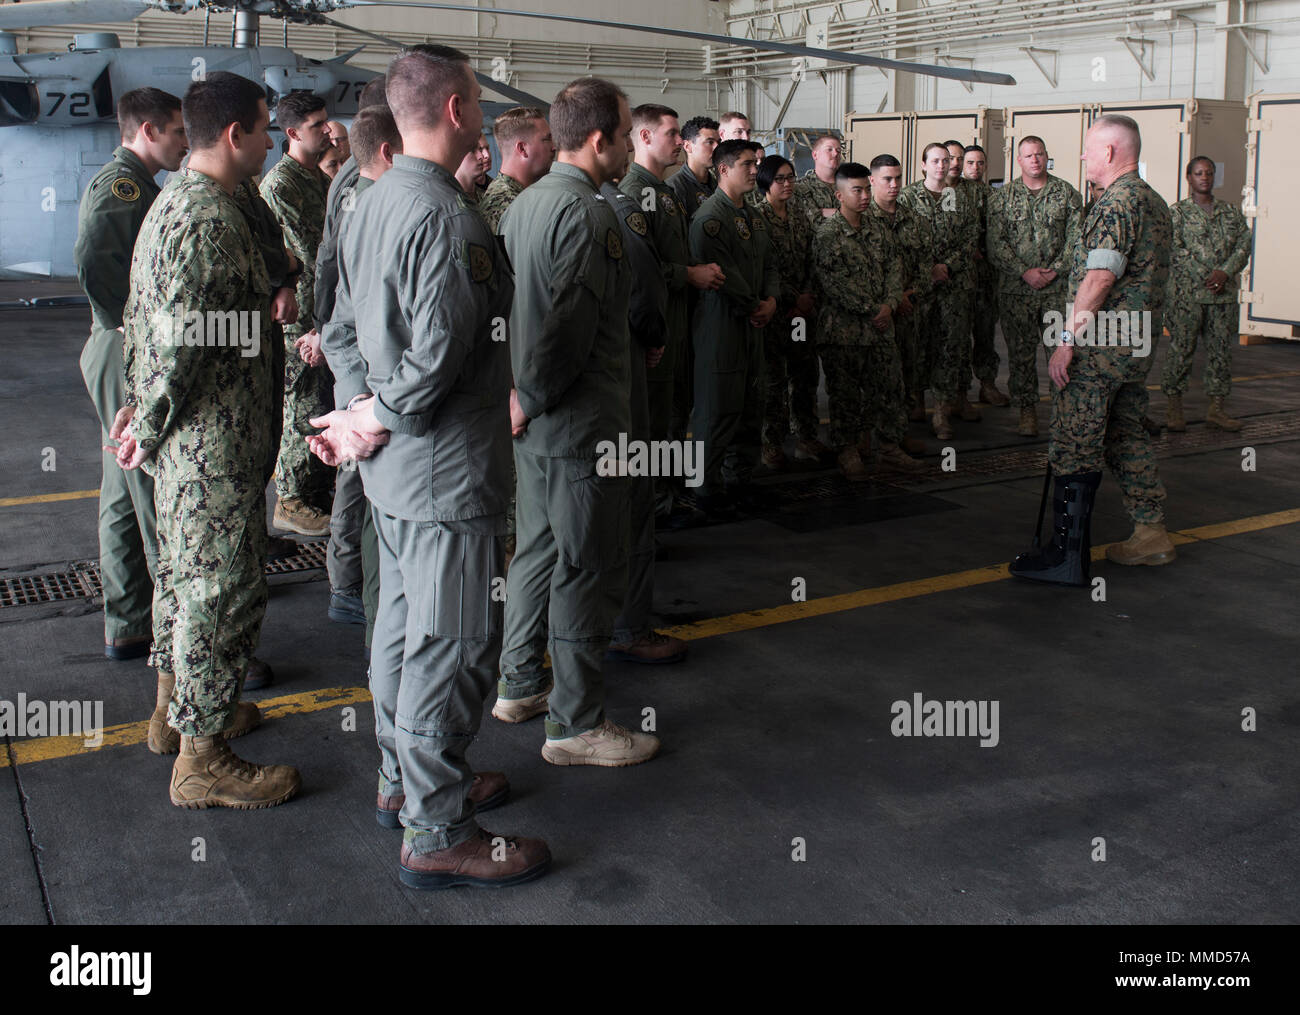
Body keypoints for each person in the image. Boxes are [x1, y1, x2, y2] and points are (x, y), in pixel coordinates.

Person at [314, 44, 549, 888]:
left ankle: (402, 779)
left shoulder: (369, 201)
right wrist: (375, 412)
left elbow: (338, 326)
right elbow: (444, 357)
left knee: (402, 633)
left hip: (395, 474)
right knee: (450, 649)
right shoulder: (450, 218)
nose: (483, 117)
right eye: (479, 102)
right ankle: (438, 824)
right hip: (448, 477)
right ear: (456, 110)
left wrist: (355, 415)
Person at [115, 71, 298, 807]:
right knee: (220, 592)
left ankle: (175, 712)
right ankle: (202, 757)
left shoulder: (199, 202)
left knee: (185, 583)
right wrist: (148, 424)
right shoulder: (206, 220)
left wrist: (140, 413)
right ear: (235, 136)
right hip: (209, 446)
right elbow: (181, 345)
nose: (271, 140)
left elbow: (146, 325)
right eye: (264, 127)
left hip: (207, 444)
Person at [494, 76, 661, 771]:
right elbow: (568, 324)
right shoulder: (594, 217)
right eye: (625, 134)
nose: (627, 146)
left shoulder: (523, 205)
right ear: (600, 140)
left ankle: (520, 684)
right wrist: (531, 394)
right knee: (586, 568)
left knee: (533, 552)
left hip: (535, 426)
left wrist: (517, 397)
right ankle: (576, 721)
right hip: (580, 425)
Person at [1010, 114, 1175, 586]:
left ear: (1108, 152)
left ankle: (1066, 556)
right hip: (1135, 343)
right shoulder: (1154, 201)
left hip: (1102, 346)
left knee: (1075, 442)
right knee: (1125, 433)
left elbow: (1100, 276)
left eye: (1088, 148)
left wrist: (1067, 341)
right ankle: (1151, 531)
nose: (1081, 157)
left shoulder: (1115, 204)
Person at [74, 87, 186, 663]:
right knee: (153, 489)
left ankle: (128, 625)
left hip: (117, 343)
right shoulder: (122, 189)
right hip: (123, 346)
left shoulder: (139, 186)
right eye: (176, 131)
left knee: (121, 489)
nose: (184, 142)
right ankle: (177, 643)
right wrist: (127, 323)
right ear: (147, 129)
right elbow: (96, 258)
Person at [315, 105, 404, 636]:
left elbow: (331, 269)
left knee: (357, 481)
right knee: (361, 485)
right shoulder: (382, 204)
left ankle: (350, 587)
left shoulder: (352, 186)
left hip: (356, 371)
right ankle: (351, 587)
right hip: (373, 379)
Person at [619, 103, 723, 530]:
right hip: (656, 329)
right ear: (644, 137)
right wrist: (688, 273)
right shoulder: (633, 191)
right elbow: (635, 270)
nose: (680, 142)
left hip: (677, 323)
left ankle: (668, 495)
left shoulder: (662, 191)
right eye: (671, 133)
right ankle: (653, 513)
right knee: (653, 425)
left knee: (674, 418)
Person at [603, 156, 687, 666]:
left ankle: (532, 665)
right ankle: (628, 627)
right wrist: (652, 337)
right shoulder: (617, 205)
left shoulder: (528, 205)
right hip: (616, 375)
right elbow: (646, 281)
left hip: (549, 395)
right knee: (631, 500)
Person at [813, 163, 921, 481]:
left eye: (865, 189)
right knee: (845, 396)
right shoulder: (827, 234)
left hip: (881, 329)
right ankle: (847, 450)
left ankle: (888, 449)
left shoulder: (877, 228)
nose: (863, 196)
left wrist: (888, 305)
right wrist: (874, 309)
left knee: (889, 389)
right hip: (844, 332)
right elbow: (834, 284)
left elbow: (894, 268)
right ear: (839, 194)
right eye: (855, 190)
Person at [689, 139, 779, 515]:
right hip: (722, 327)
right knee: (716, 411)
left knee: (750, 406)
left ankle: (740, 480)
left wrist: (772, 300)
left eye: (756, 164)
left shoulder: (755, 216)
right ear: (724, 170)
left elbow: (772, 264)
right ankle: (705, 489)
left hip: (753, 325)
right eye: (747, 165)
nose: (755, 171)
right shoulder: (710, 219)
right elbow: (722, 275)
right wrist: (755, 304)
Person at [261, 91, 335, 537]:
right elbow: (311, 253)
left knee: (321, 404)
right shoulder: (280, 185)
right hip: (301, 319)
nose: (328, 130)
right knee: (303, 406)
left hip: (322, 313)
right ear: (292, 133)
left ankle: (315, 491)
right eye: (317, 125)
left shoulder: (316, 179)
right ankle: (291, 499)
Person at [986, 135, 1083, 437]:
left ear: (1046, 156)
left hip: (1055, 293)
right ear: (1019, 160)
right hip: (1016, 292)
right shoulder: (1002, 197)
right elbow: (994, 243)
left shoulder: (1066, 193)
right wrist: (1023, 271)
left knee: (1060, 352)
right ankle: (1026, 410)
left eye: (1039, 154)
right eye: (1029, 156)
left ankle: (1063, 412)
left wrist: (1054, 271)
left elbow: (1077, 239)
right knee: (1021, 355)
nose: (1035, 160)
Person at [1161, 155, 1251, 432]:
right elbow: (1175, 250)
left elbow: (1243, 244)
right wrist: (1206, 275)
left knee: (1221, 353)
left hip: (1221, 297)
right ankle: (1174, 409)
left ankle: (1217, 409)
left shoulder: (1230, 212)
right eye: (1199, 173)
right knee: (1181, 351)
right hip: (1187, 297)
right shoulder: (1177, 213)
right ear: (1189, 178)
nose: (1205, 177)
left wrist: (1224, 272)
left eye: (1209, 173)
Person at [899, 141, 980, 439]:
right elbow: (901, 243)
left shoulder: (961, 198)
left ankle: (942, 412)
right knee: (917, 346)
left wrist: (946, 266)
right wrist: (926, 271)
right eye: (934, 160)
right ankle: (917, 402)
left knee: (950, 348)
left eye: (945, 160)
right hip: (919, 287)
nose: (941, 166)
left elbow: (970, 239)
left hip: (953, 286)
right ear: (923, 165)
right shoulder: (907, 198)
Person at [753, 154, 825, 468]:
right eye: (780, 179)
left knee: (805, 375)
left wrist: (807, 295)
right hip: (777, 313)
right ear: (766, 183)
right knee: (773, 381)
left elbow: (813, 258)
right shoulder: (757, 218)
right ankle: (771, 443)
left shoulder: (799, 215)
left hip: (803, 312)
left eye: (790, 178)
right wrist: (793, 299)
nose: (787, 184)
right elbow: (764, 269)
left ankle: (806, 438)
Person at [864, 153, 931, 458]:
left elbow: (927, 267)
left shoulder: (914, 220)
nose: (893, 185)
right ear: (872, 181)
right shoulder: (864, 221)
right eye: (887, 179)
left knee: (906, 374)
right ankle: (873, 440)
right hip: (878, 316)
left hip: (908, 313)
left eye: (898, 179)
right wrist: (891, 301)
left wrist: (910, 295)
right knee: (876, 378)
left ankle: (898, 434)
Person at [962, 143, 1009, 407]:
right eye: (970, 162)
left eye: (980, 163)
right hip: (960, 276)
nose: (975, 167)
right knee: (956, 337)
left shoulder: (994, 196)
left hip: (987, 278)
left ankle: (987, 384)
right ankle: (959, 392)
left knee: (985, 334)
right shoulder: (953, 194)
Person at [479, 106, 555, 233]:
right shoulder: (505, 207)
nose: (554, 147)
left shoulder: (520, 197)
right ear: (522, 149)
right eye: (547, 139)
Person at [667, 115, 719, 218]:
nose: (717, 147)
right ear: (687, 146)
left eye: (719, 142)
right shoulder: (674, 189)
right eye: (710, 142)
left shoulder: (719, 185)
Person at [792, 133, 841, 225]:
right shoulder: (800, 187)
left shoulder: (847, 185)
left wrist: (822, 211)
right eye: (829, 150)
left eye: (838, 150)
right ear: (815, 155)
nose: (835, 154)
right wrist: (842, 213)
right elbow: (808, 219)